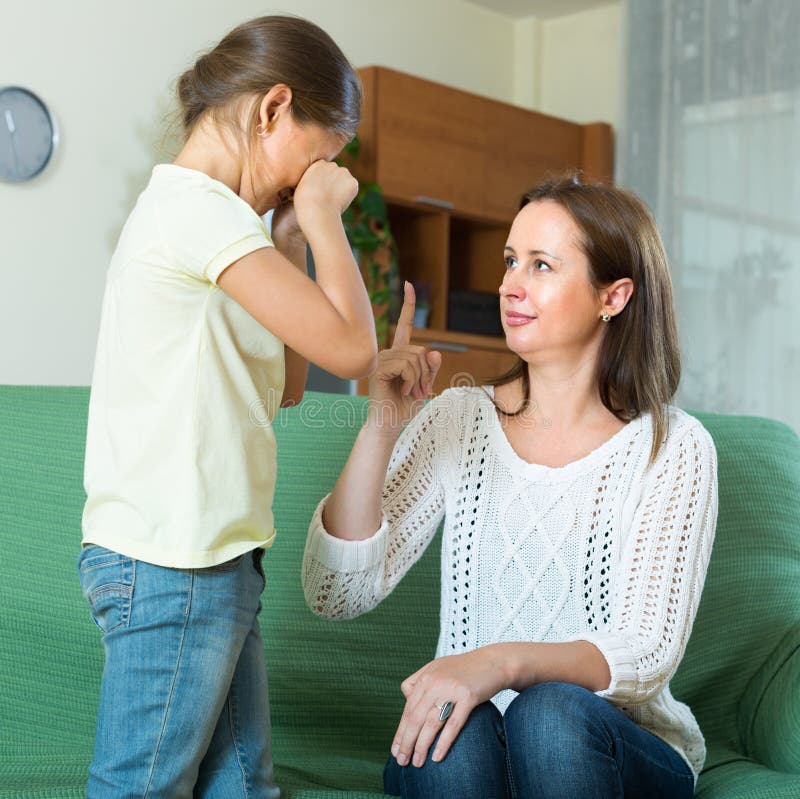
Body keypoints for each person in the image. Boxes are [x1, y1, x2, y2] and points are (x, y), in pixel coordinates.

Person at [302, 177, 719, 798]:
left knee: (546, 714)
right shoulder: (460, 419)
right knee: (453, 732)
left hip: (616, 746)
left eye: (542, 265)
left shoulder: (672, 446)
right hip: (470, 742)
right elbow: (335, 591)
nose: (509, 286)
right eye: (509, 261)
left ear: (615, 295)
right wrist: (381, 427)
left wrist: (497, 664)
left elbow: (645, 651)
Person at [78, 15, 377, 798]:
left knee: (243, 785)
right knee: (140, 786)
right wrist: (322, 215)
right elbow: (354, 351)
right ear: (273, 109)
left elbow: (287, 385)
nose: (307, 183)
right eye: (317, 161)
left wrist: (290, 236)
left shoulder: (218, 225)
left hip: (211, 557)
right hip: (175, 559)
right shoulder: (196, 212)